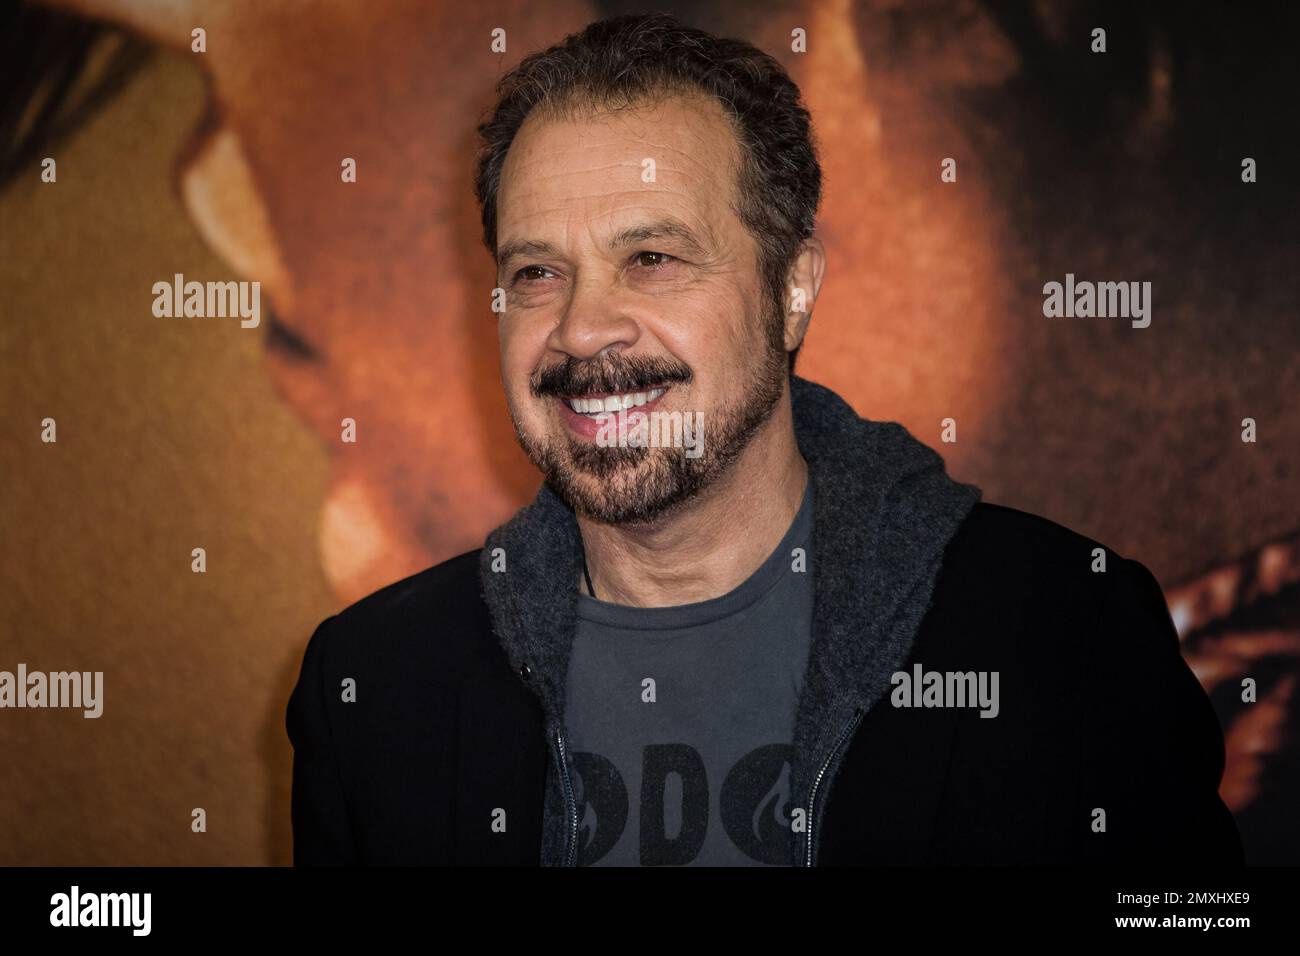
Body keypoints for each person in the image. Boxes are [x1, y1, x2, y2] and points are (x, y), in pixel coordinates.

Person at [284, 13, 1244, 866]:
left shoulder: (1065, 636)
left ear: (792, 292)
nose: (581, 329)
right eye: (537, 272)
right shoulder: (375, 686)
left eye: (652, 260)